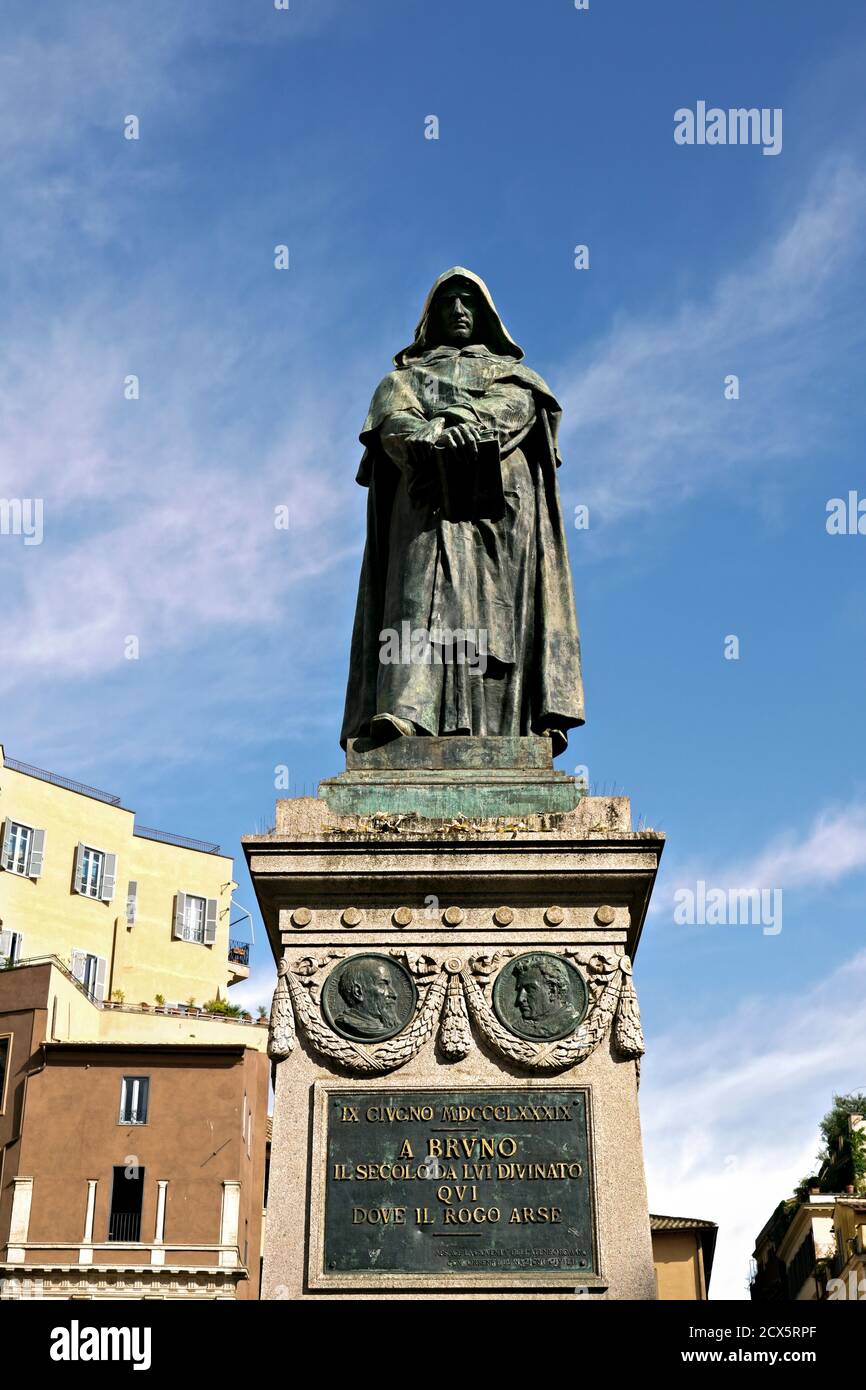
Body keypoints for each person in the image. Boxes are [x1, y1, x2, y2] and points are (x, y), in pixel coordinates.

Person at [340, 268, 584, 755]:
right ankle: (407, 711)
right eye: (448, 302)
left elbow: (517, 410)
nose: (458, 311)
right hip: (425, 503)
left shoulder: (514, 377)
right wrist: (430, 435)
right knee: (417, 600)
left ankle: (505, 728)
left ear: (486, 315)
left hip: (500, 514)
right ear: (431, 317)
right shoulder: (403, 380)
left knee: (497, 619)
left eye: (467, 302)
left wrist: (460, 420)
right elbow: (392, 424)